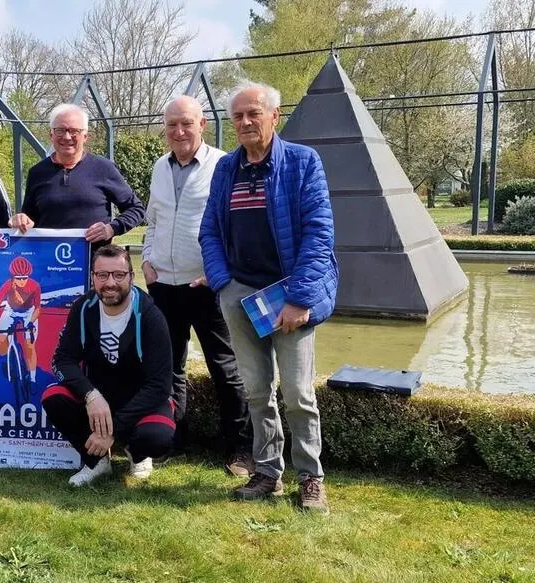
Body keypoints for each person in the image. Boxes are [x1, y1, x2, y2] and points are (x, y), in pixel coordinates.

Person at [199, 81, 338, 514]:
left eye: (253, 113)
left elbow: (319, 234)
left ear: (274, 116)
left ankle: (310, 477)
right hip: (240, 294)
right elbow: (210, 230)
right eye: (237, 116)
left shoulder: (302, 162)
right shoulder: (227, 168)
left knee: (297, 393)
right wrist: (223, 284)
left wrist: (300, 298)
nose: (244, 122)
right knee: (257, 391)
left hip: (289, 295)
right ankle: (267, 472)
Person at [143, 95, 254, 475]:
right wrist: (147, 260)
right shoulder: (159, 167)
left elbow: (237, 226)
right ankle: (173, 439)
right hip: (163, 285)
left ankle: (240, 448)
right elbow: (154, 220)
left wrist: (219, 271)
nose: (179, 132)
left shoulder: (223, 165)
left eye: (186, 123)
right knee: (169, 367)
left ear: (202, 124)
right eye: (171, 125)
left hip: (207, 286)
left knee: (225, 368)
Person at [42, 244, 174, 487]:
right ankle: (97, 460)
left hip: (140, 399)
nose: (110, 283)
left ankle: (137, 453)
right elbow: (62, 359)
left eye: (119, 275)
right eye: (102, 275)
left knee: (157, 437)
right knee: (53, 398)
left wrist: (112, 431)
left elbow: (160, 385)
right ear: (92, 277)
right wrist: (90, 395)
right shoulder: (83, 308)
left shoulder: (151, 316)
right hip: (98, 397)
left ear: (131, 277)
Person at [13, 103, 145, 248]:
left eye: (74, 131)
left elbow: (136, 209)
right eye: (60, 130)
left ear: (85, 136)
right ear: (51, 135)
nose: (67, 137)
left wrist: (111, 228)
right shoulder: (37, 172)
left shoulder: (103, 168)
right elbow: (29, 218)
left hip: (95, 260)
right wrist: (22, 220)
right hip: (48, 259)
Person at [0, 256, 41, 392]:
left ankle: (32, 379)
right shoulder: (7, 285)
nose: (22, 281)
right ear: (13, 278)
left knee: (30, 346)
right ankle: (8, 357)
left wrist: (31, 323)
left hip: (29, 312)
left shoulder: (35, 286)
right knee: (0, 344)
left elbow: (38, 309)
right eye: (18, 278)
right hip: (10, 311)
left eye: (25, 278)